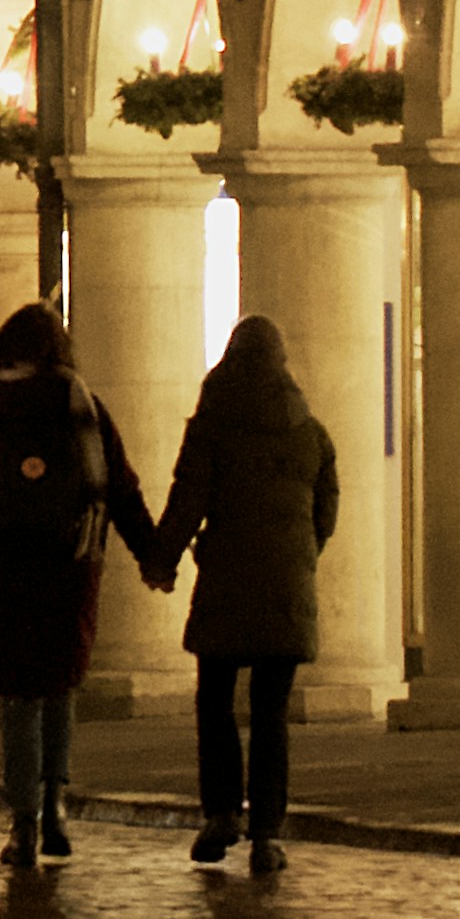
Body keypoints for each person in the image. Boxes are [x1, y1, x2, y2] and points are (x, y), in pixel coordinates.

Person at [0, 299, 159, 874]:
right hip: (67, 562)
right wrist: (155, 556)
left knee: (17, 695)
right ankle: (55, 803)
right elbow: (118, 489)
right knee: (59, 682)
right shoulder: (84, 407)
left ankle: (22, 823)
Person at [154, 311, 339, 874]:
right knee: (270, 713)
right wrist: (299, 558)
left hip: (226, 587)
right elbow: (325, 512)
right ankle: (266, 833)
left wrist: (161, 559)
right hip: (286, 590)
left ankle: (220, 816)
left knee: (215, 702)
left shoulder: (211, 428)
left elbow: (188, 499)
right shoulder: (310, 433)